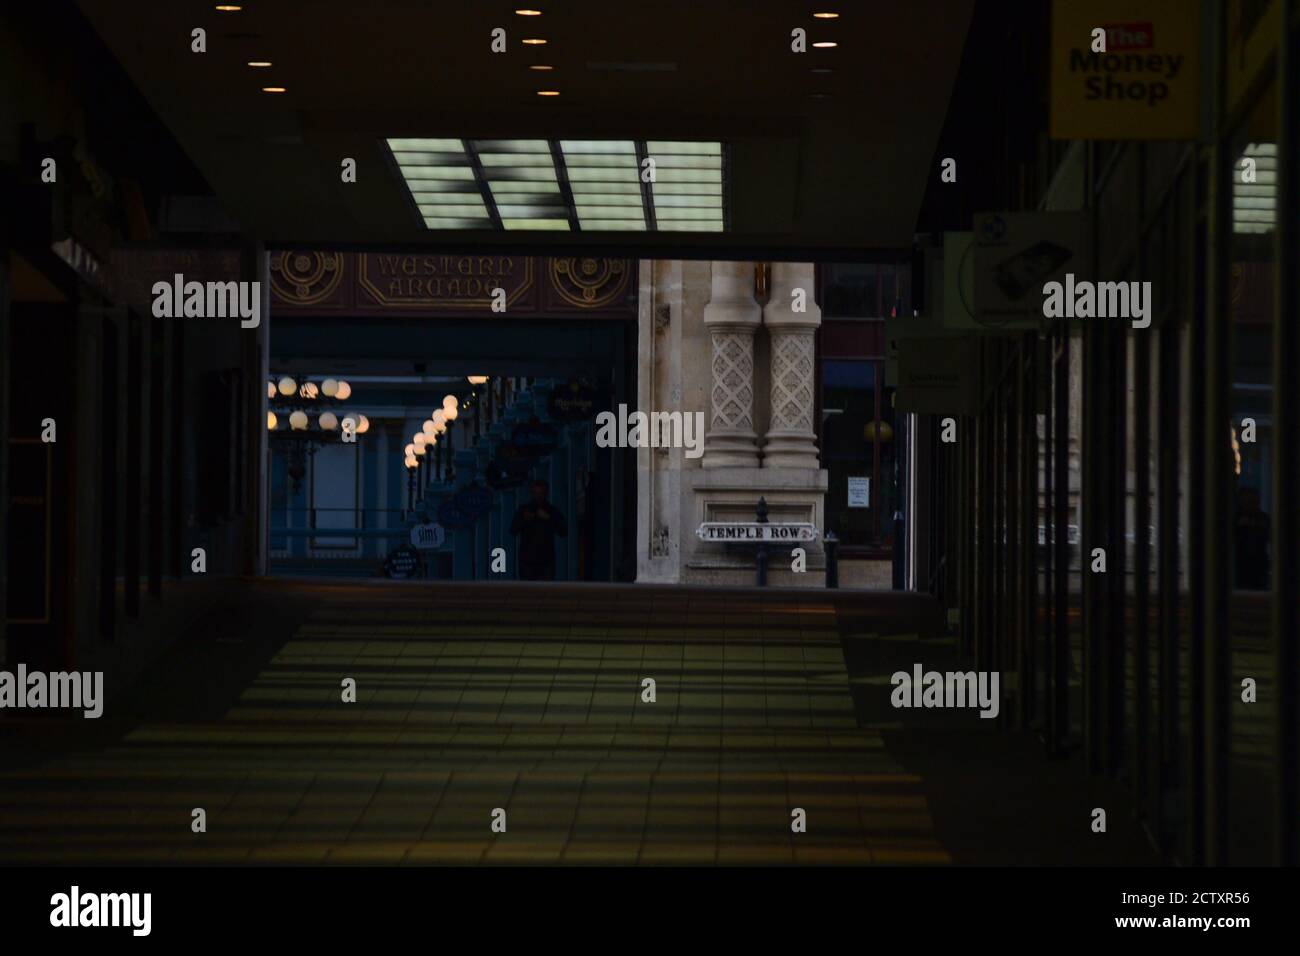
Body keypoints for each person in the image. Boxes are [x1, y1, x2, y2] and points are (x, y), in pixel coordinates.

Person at [510, 479, 567, 581]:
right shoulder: (523, 510)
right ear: (532, 493)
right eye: (536, 493)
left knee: (546, 592)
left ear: (546, 494)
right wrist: (525, 520)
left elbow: (563, 531)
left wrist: (548, 518)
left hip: (546, 561)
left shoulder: (552, 511)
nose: (539, 497)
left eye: (542, 493)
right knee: (528, 592)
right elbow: (513, 530)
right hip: (527, 561)